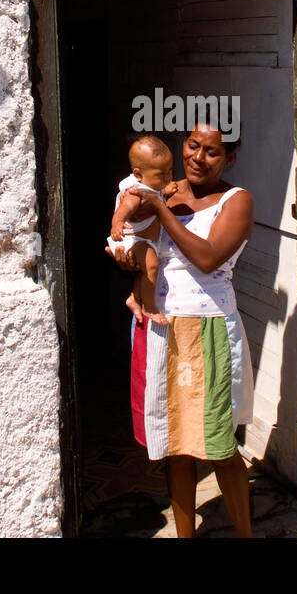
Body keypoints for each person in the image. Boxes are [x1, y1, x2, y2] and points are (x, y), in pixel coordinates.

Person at [107, 123, 255, 538]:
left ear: (229, 157)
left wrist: (161, 212)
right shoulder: (163, 190)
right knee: (176, 447)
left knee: (220, 445)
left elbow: (207, 258)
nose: (197, 157)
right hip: (162, 328)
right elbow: (142, 242)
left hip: (210, 332)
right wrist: (130, 258)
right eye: (192, 146)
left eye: (211, 151)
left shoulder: (235, 201)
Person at [107, 135, 177, 322]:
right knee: (151, 266)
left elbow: (157, 193)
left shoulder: (151, 185)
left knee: (146, 270)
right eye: (161, 175)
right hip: (131, 239)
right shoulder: (136, 191)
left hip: (144, 241)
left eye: (170, 171)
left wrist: (164, 191)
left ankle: (134, 298)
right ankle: (150, 308)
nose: (168, 178)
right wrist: (117, 223)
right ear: (138, 174)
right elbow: (125, 208)